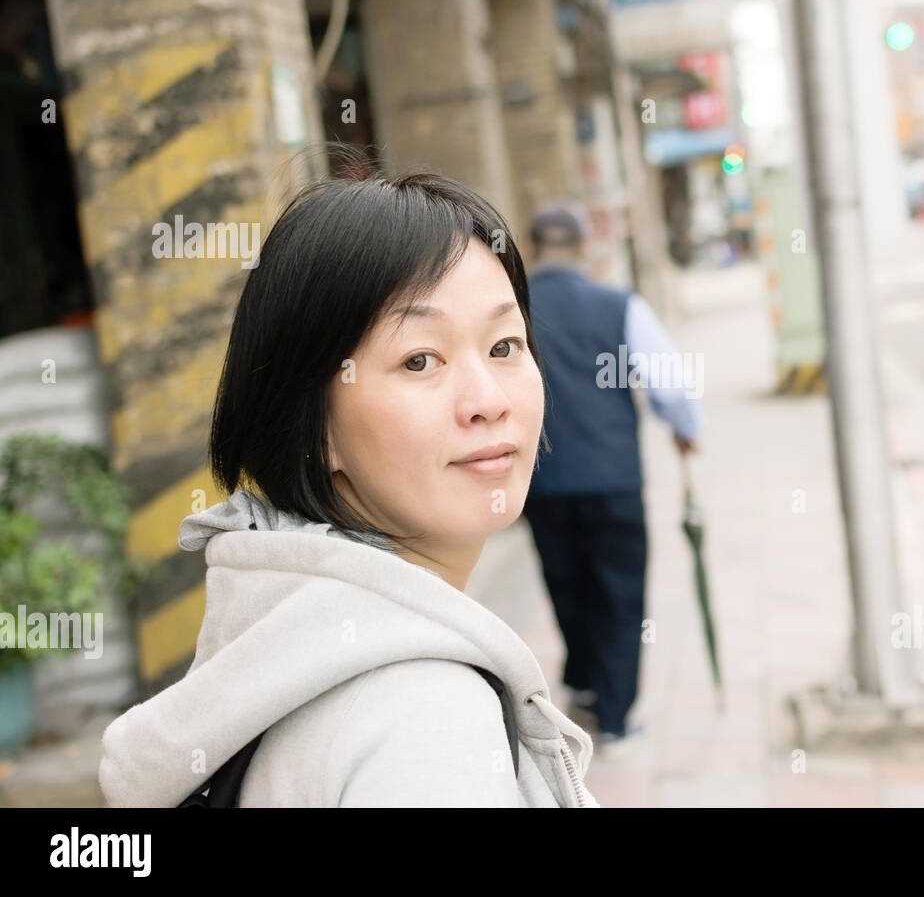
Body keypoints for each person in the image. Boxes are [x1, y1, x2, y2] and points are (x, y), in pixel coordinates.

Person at [97, 167, 599, 807]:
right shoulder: (427, 727)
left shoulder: (276, 632)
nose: (488, 400)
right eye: (420, 360)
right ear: (314, 422)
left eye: (505, 345)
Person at [521, 200, 702, 758]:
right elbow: (670, 385)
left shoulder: (516, 309)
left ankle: (586, 685)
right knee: (620, 593)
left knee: (566, 583)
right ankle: (616, 715)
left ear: (531, 250)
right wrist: (685, 431)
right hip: (614, 479)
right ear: (583, 250)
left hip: (544, 481)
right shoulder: (618, 305)